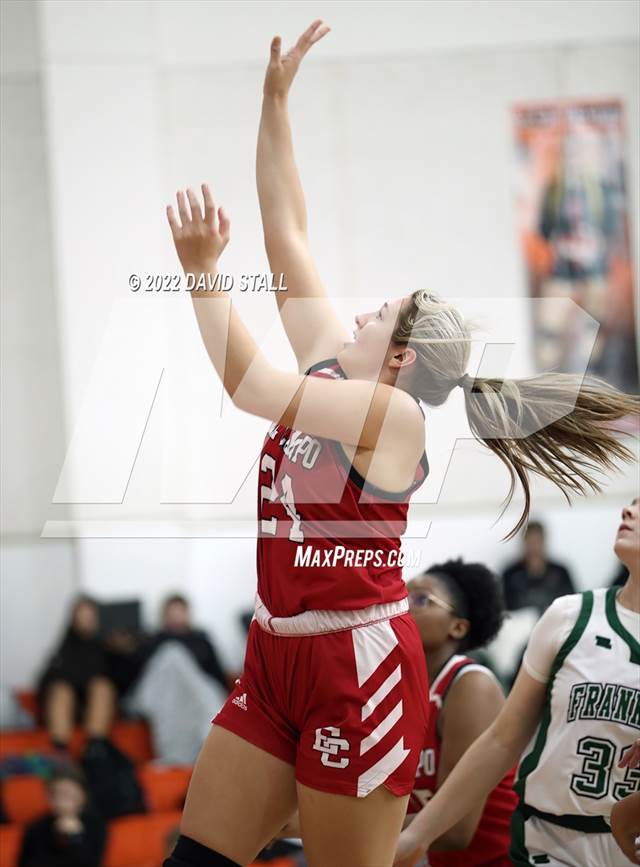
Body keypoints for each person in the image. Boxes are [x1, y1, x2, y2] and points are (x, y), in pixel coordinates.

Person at [162, 21, 638, 867]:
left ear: (401, 357)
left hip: (356, 664)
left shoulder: (395, 419)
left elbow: (249, 388)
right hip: (275, 651)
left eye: (378, 314)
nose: (357, 313)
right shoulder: (332, 374)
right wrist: (275, 101)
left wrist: (203, 275)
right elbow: (286, 230)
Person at [394, 496, 640, 867]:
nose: (628, 510)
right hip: (548, 845)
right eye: (631, 502)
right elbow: (502, 739)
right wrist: (416, 835)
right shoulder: (570, 616)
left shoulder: (466, 684)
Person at [401, 560, 517, 867]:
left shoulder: (470, 685)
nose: (402, 606)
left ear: (457, 626)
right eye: (400, 596)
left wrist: (334, 825)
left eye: (420, 599)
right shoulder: (400, 690)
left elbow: (454, 831)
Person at [123, 594, 230, 765]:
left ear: (187, 614)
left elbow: (216, 676)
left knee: (182, 663)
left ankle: (201, 744)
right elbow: (144, 677)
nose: (175, 617)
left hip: (196, 694)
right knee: (172, 655)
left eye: (179, 612)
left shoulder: (201, 640)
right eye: (171, 613)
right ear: (164, 616)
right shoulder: (153, 641)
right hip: (164, 692)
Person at [37, 595, 117, 755]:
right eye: (82, 616)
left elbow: (121, 681)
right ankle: (60, 749)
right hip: (68, 707)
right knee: (61, 690)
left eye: (89, 617)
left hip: (96, 707)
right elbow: (46, 683)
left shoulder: (107, 647)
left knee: (101, 686)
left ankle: (95, 747)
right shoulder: (64, 649)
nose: (85, 621)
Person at [18, 762, 106, 867]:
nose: (62, 802)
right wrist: (58, 838)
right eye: (56, 794)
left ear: (83, 795)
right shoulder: (35, 828)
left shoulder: (95, 825)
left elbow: (90, 862)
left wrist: (74, 838)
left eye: (68, 794)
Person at [502, 521, 576, 614]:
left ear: (543, 541)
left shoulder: (560, 572)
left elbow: (572, 604)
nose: (534, 546)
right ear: (524, 542)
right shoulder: (511, 575)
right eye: (531, 541)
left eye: (537, 541)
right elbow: (505, 609)